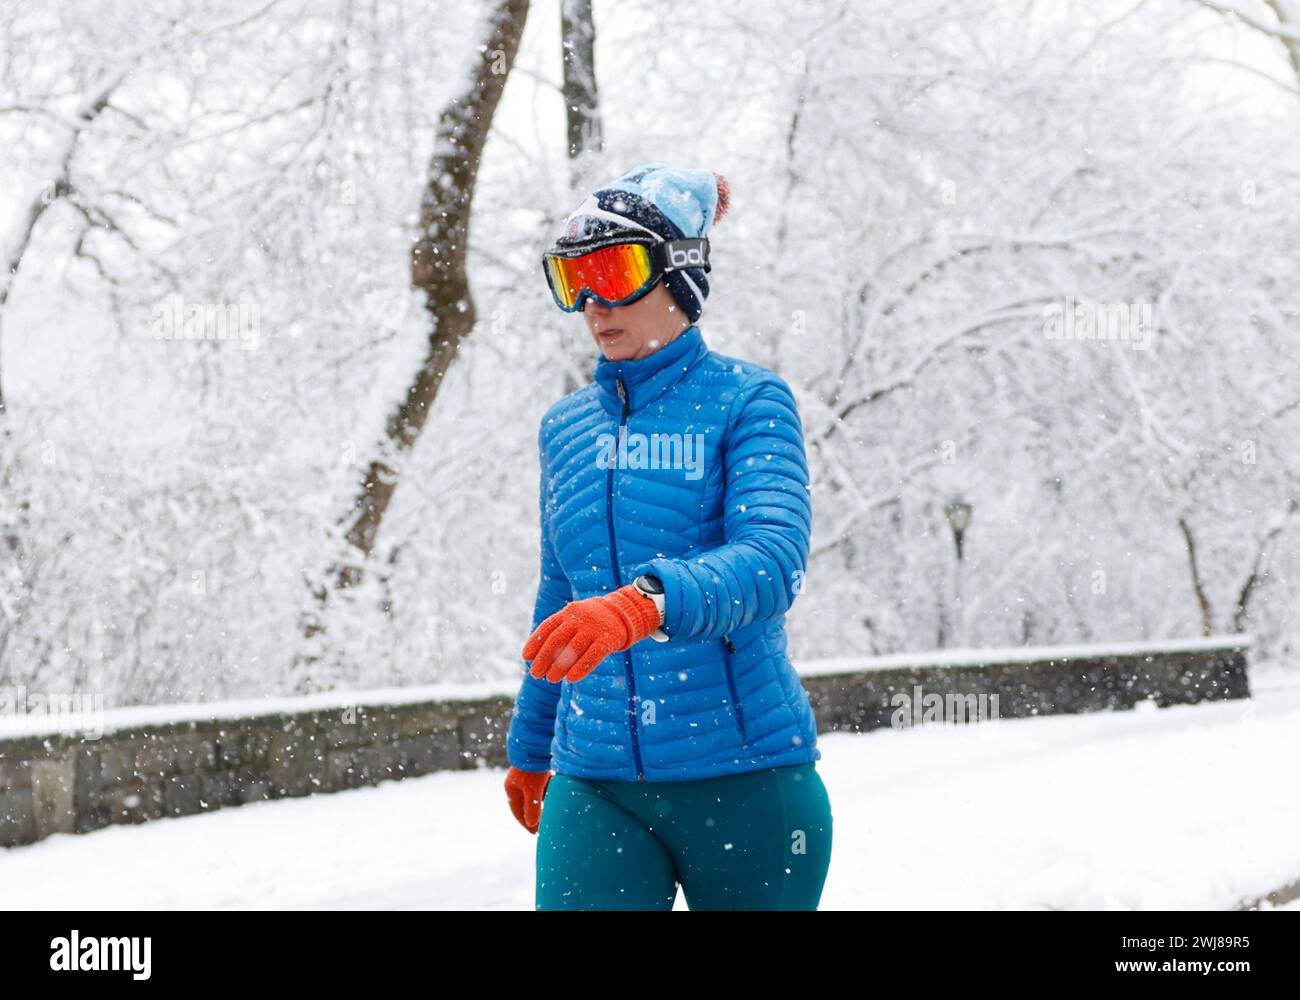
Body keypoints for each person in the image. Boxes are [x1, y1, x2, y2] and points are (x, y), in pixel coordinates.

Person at [502, 162, 832, 910]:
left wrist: (643, 604)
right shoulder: (566, 428)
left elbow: (772, 561)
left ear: (680, 275)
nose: (592, 302)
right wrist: (530, 747)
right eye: (571, 277)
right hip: (596, 781)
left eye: (614, 271)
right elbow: (561, 593)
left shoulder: (749, 402)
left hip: (746, 777)